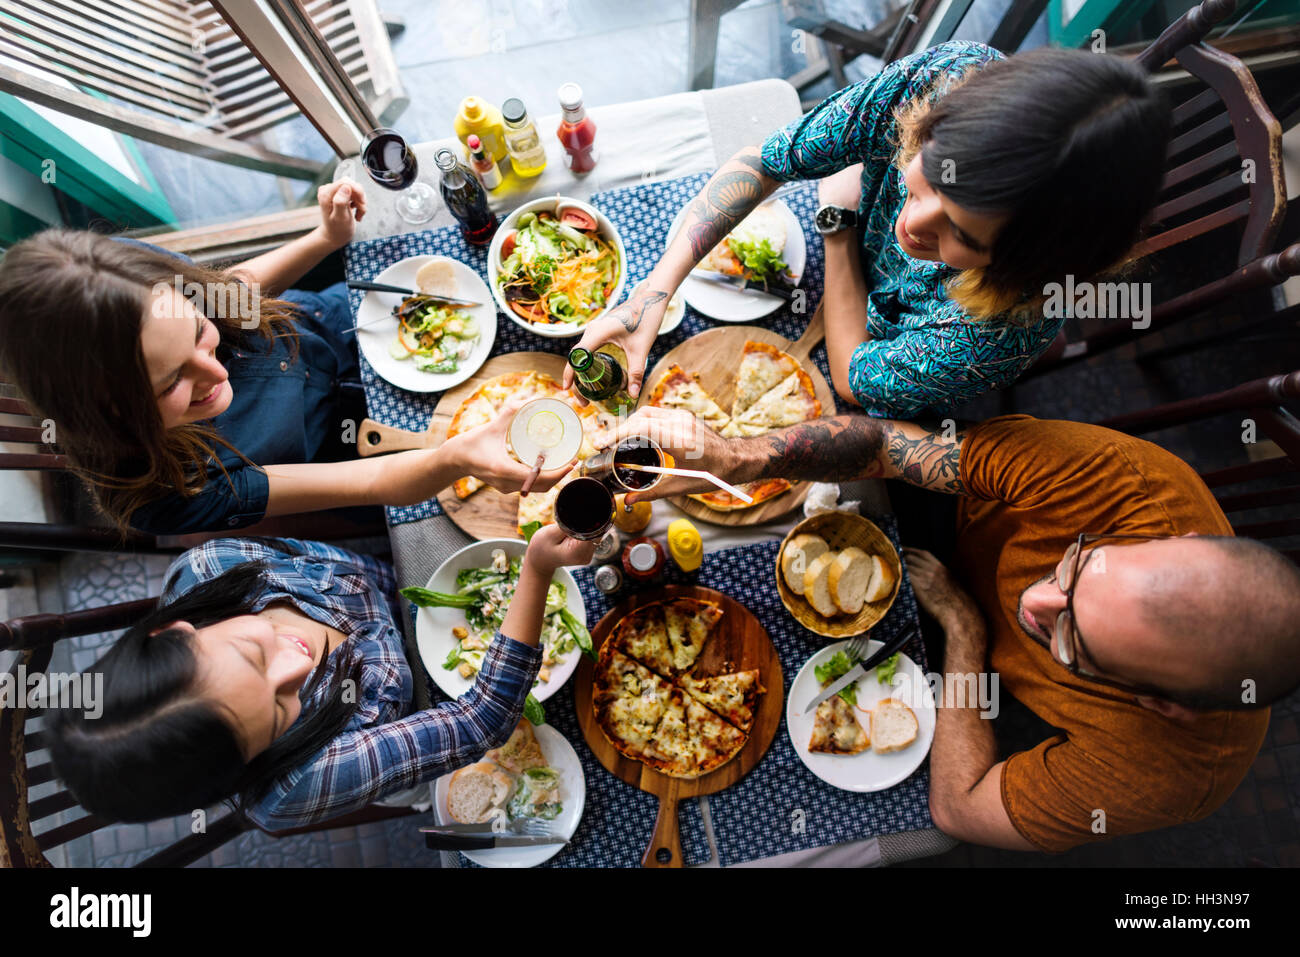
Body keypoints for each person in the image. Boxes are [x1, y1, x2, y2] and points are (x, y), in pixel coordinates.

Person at [608, 405, 1300, 851]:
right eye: (1077, 568)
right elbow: (883, 443)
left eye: (1072, 643)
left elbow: (959, 809)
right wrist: (741, 458)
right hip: (952, 521)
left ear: (1163, 703)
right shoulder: (1123, 480)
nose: (1036, 601)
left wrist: (966, 630)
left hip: (976, 682)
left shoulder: (1168, 775)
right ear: (1161, 539)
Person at [565, 41, 1170, 418]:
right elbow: (766, 162)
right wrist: (656, 290)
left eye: (962, 235)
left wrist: (835, 230)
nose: (913, 222)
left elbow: (855, 373)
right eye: (928, 175)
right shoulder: (947, 76)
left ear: (1024, 268)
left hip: (868, 328)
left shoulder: (1001, 331)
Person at [0, 181, 569, 534]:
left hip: (337, 329)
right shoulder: (163, 494)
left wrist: (324, 238)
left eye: (200, 334)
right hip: (345, 457)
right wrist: (455, 459)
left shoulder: (121, 278)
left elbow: (227, 292)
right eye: (173, 381)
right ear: (111, 414)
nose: (216, 372)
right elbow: (370, 484)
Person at [46, 526, 596, 831]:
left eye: (252, 655)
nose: (300, 664)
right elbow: (480, 722)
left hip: (404, 595)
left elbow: (347, 566)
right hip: (423, 720)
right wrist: (536, 572)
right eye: (283, 708)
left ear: (172, 631)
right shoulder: (291, 785)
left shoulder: (213, 565)